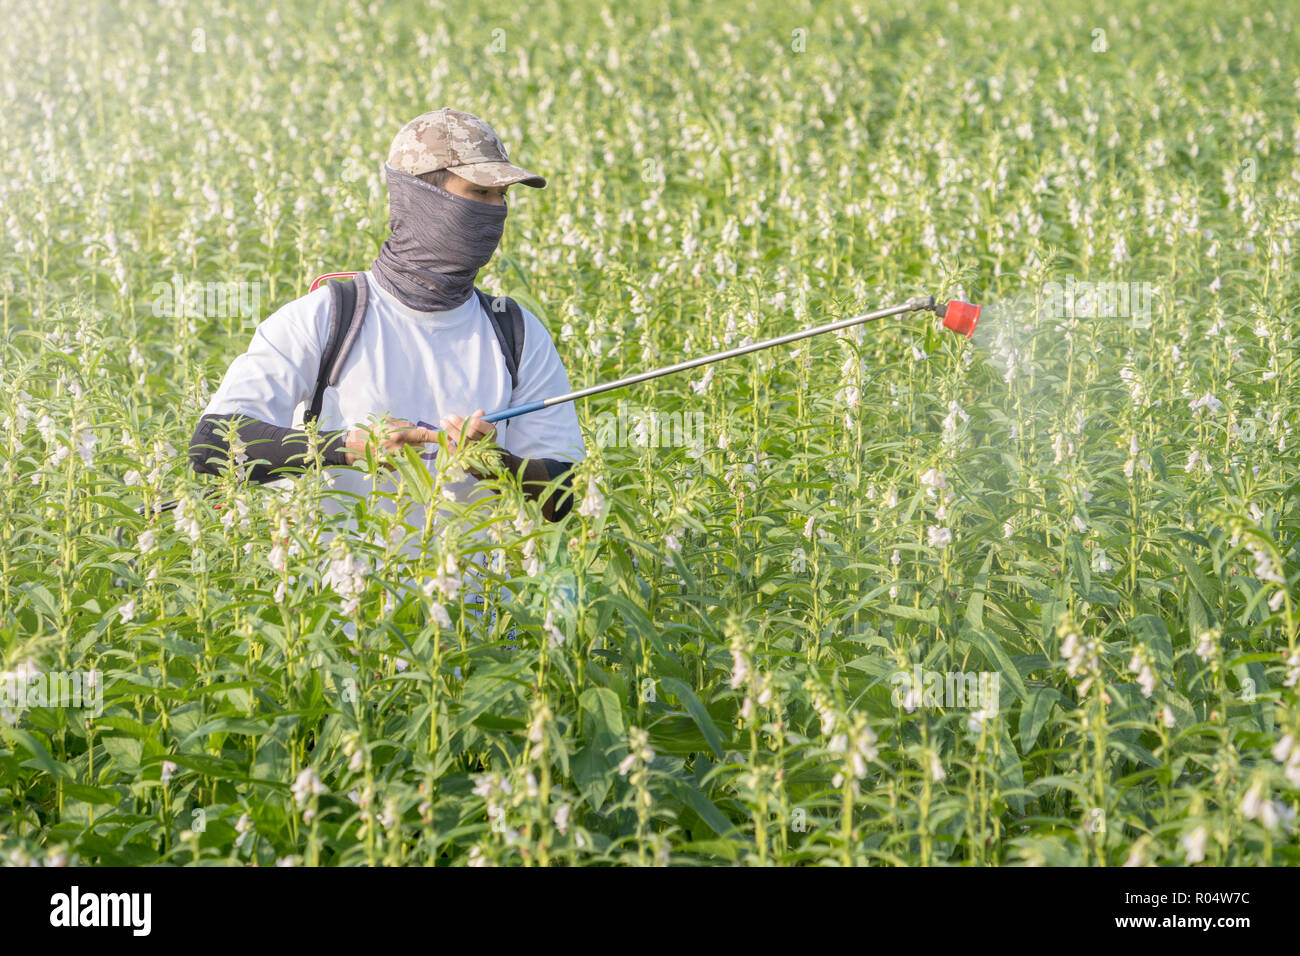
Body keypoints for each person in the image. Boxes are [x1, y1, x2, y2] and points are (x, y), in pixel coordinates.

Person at [189, 107, 585, 616]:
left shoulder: (515, 330)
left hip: (474, 636)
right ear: (421, 197)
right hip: (340, 629)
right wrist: (348, 447)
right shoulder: (327, 317)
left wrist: (495, 465)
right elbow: (211, 445)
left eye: (501, 197)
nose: (493, 214)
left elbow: (563, 496)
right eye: (478, 194)